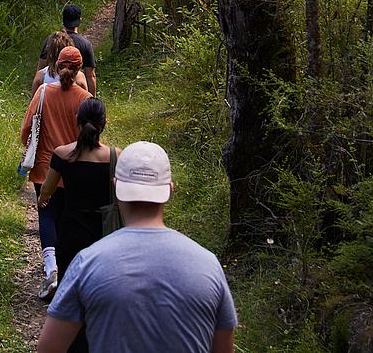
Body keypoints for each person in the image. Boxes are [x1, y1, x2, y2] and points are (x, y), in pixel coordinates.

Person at [37, 141, 238, 353]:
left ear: (116, 186)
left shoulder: (87, 262)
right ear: (170, 190)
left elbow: (49, 348)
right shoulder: (208, 265)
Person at [37, 98, 114, 353]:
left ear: (77, 122)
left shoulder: (62, 154)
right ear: (104, 124)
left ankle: (72, 342)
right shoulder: (115, 156)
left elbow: (47, 190)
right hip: (104, 236)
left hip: (71, 233)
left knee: (72, 293)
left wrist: (44, 198)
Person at [20, 46, 93, 301]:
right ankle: (67, 272)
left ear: (57, 65)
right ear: (79, 69)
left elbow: (25, 132)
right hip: (74, 168)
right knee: (65, 216)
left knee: (47, 214)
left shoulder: (42, 93)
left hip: (44, 167)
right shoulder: (85, 99)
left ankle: (51, 268)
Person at [39, 4, 97, 95]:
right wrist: (93, 100)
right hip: (75, 90)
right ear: (80, 20)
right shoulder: (85, 44)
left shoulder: (51, 40)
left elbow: (41, 67)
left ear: (63, 20)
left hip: (49, 92)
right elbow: (90, 76)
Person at [31, 30, 89, 96]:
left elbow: (34, 102)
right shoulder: (79, 77)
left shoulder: (41, 76)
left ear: (50, 53)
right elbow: (86, 103)